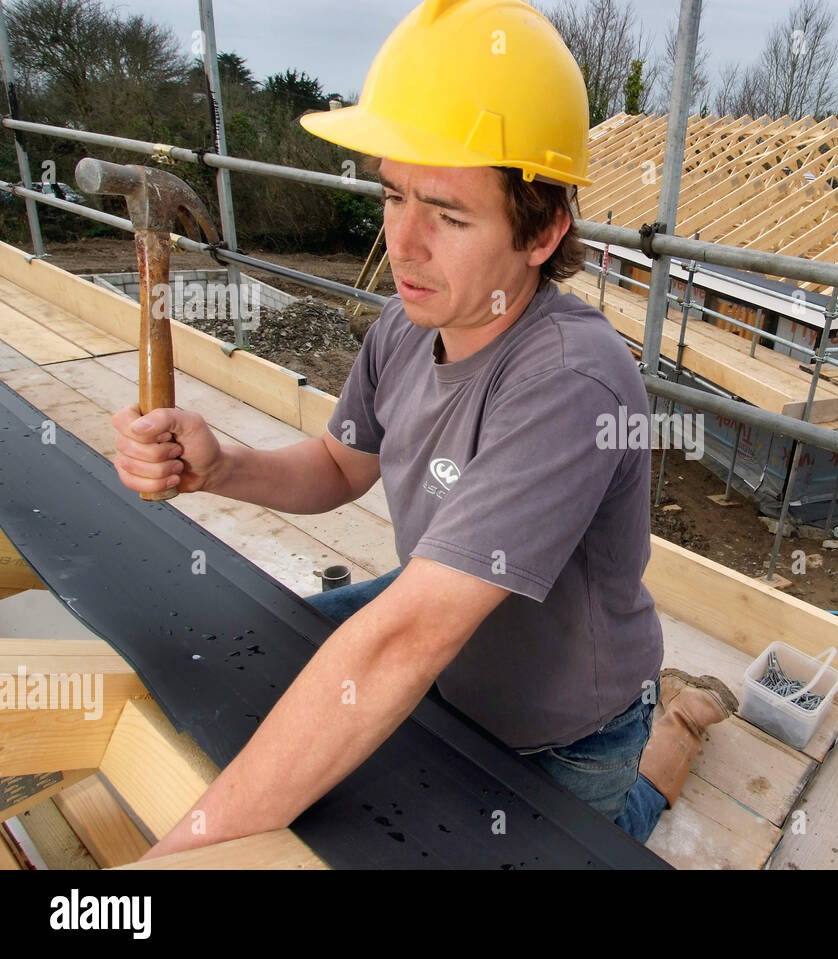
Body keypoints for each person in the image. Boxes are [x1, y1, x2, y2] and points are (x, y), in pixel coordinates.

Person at [110, 0, 733, 859]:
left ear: (544, 230)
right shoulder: (407, 326)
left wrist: (180, 853)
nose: (402, 243)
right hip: (441, 640)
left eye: (447, 213)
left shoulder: (571, 384)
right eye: (393, 193)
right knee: (253, 664)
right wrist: (223, 465)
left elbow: (403, 641)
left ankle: (676, 733)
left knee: (601, 842)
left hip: (555, 726)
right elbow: (338, 464)